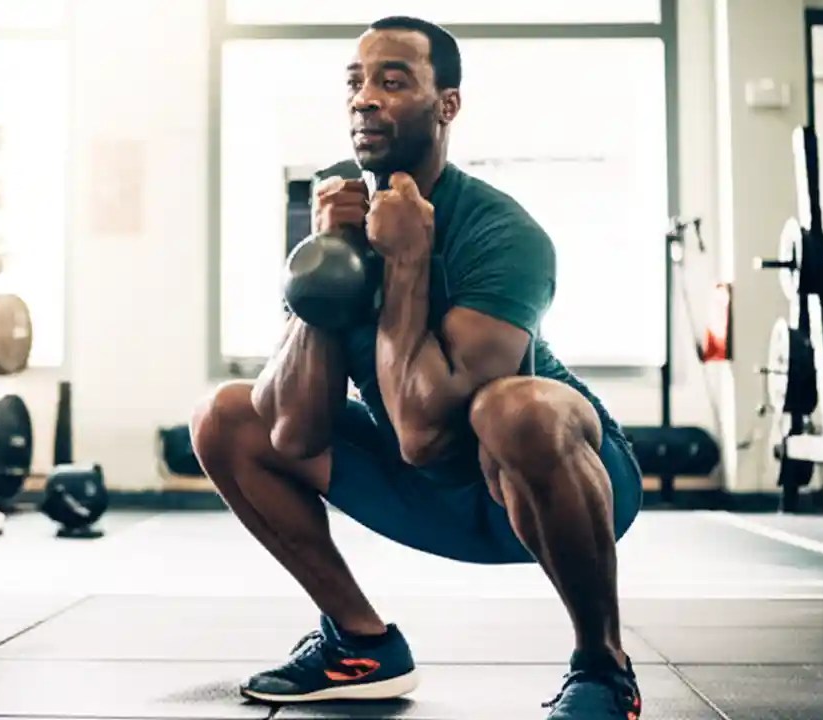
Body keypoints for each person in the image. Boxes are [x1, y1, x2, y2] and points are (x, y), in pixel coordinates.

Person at [190, 15, 644, 720]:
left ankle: (603, 664)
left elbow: (427, 433)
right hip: (428, 494)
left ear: (447, 104)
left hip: (543, 483)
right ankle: (360, 646)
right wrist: (325, 272)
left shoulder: (503, 233)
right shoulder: (344, 215)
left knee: (515, 408)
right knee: (223, 417)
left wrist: (405, 264)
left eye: (392, 80)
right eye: (356, 82)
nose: (364, 99)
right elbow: (290, 433)